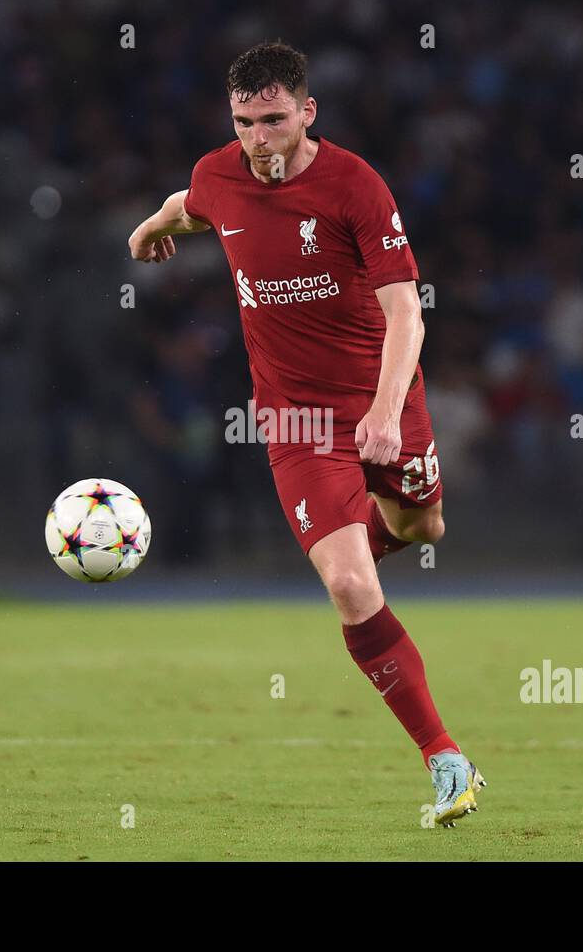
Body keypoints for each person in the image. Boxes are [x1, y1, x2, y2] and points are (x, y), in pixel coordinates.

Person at [127, 42, 482, 825]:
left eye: (274, 121)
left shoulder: (355, 184)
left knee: (424, 526)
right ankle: (446, 758)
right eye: (245, 122)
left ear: (307, 113)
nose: (259, 139)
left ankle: (366, 522)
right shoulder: (220, 171)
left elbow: (405, 310)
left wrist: (387, 411)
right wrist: (154, 224)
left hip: (383, 399)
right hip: (294, 419)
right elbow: (195, 204)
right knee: (352, 586)